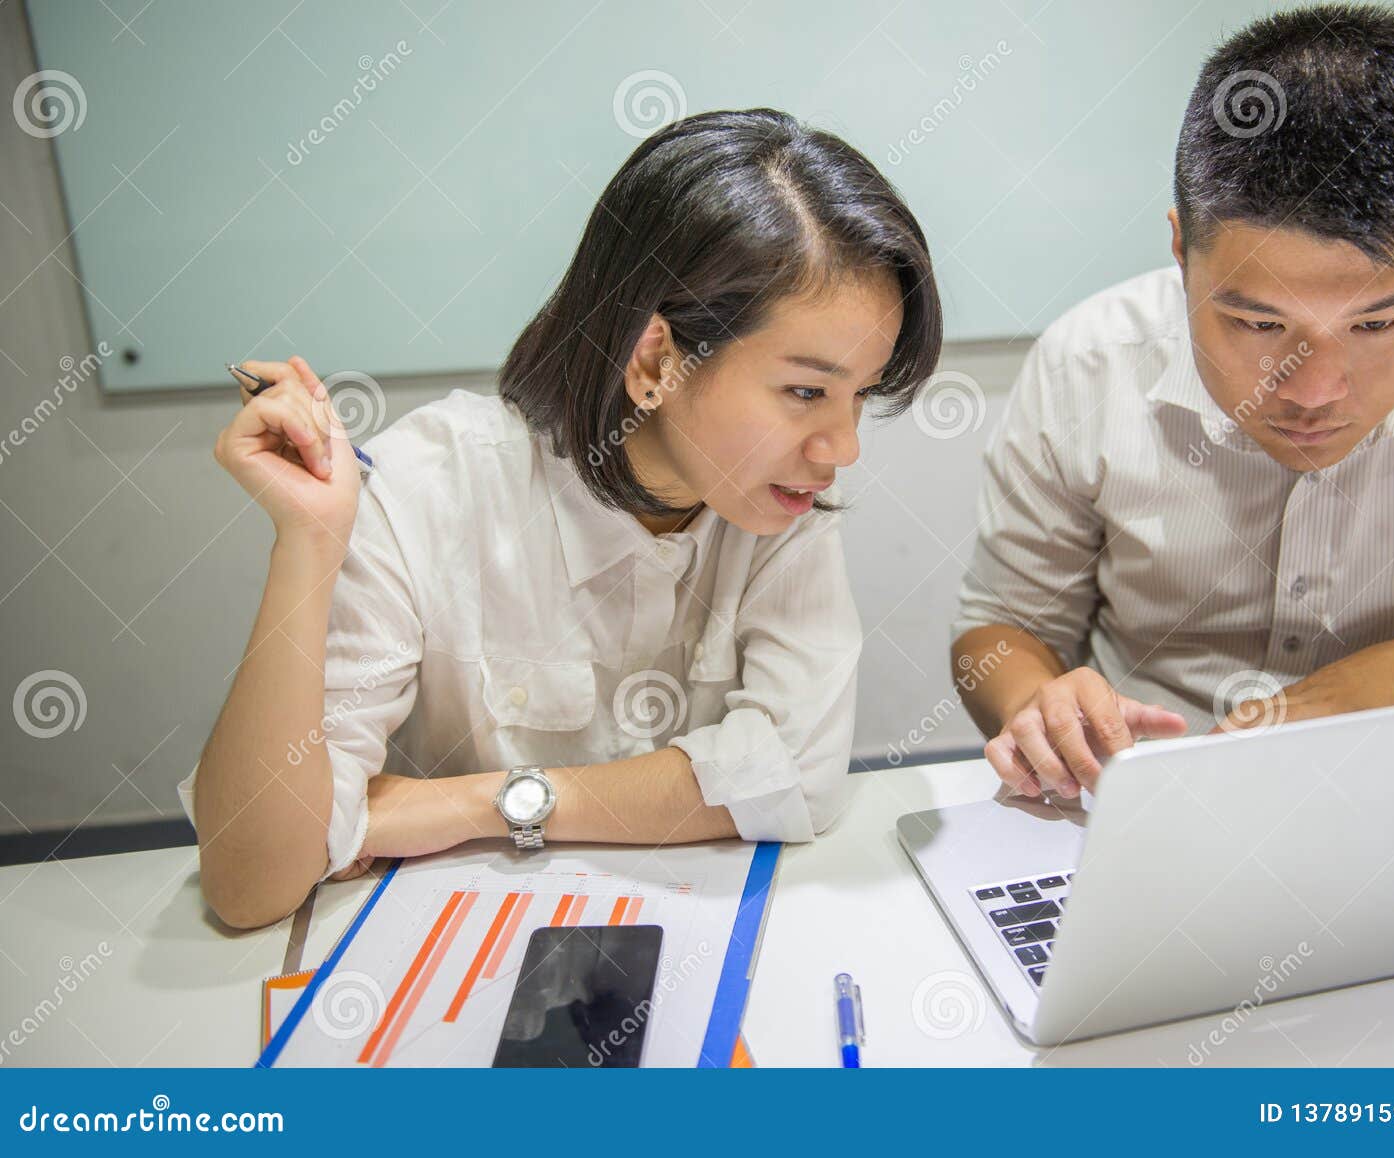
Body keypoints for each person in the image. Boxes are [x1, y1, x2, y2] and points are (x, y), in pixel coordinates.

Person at [185, 108, 942, 929]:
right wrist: (307, 544)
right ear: (655, 360)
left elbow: (797, 775)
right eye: (805, 392)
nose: (842, 447)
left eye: (861, 395)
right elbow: (251, 884)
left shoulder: (779, 501)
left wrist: (481, 804)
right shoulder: (430, 488)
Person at [952, 4, 1394, 800]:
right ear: (1181, 248)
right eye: (1257, 322)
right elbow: (999, 628)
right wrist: (1036, 703)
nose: (1312, 391)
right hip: (1152, 797)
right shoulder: (1089, 364)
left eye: (1379, 322)